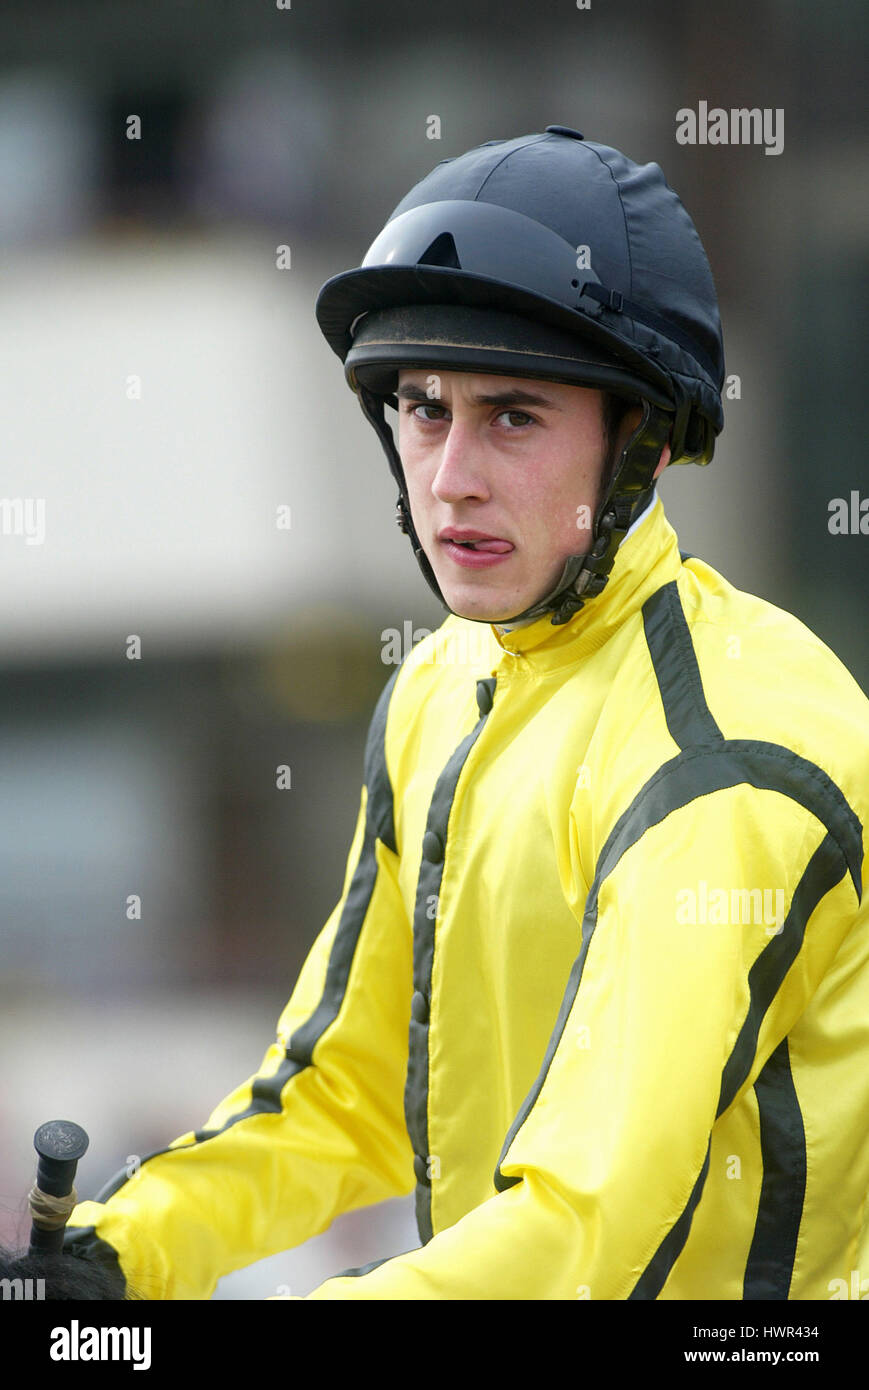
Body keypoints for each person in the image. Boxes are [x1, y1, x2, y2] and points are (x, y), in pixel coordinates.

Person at [64, 126, 869, 1300]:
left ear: (637, 444)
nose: (449, 477)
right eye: (421, 407)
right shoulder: (439, 688)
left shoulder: (724, 760)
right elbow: (346, 1094)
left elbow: (581, 1230)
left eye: (513, 416)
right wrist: (115, 1253)